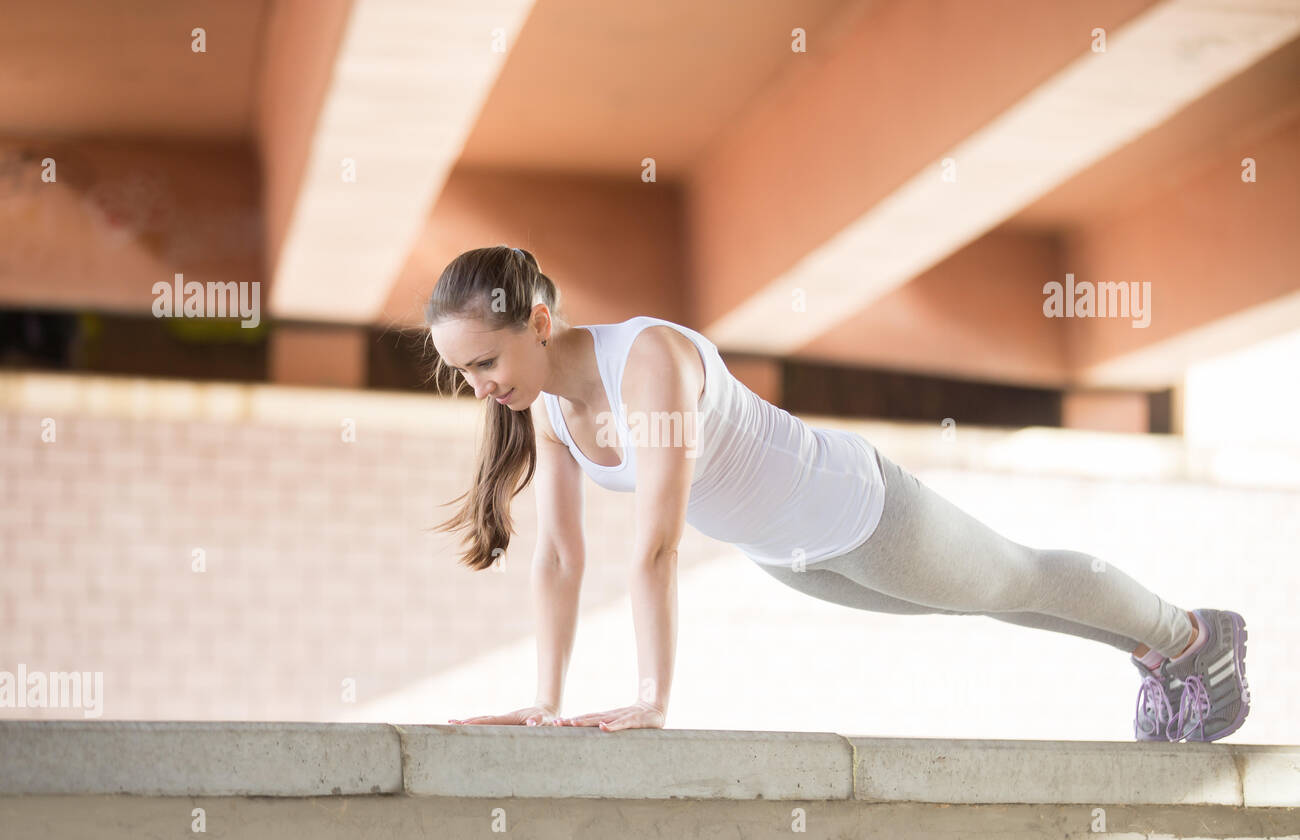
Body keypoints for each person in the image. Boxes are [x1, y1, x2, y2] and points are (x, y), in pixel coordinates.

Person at [425, 245, 1251, 742]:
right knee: (988, 597)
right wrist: (543, 702)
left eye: (485, 362)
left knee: (1015, 577)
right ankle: (1157, 655)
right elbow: (561, 558)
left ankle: (1191, 637)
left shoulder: (646, 363)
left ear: (536, 323)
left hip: (858, 511)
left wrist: (652, 698)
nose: (479, 386)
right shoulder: (554, 409)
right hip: (790, 554)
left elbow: (656, 544)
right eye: (463, 372)